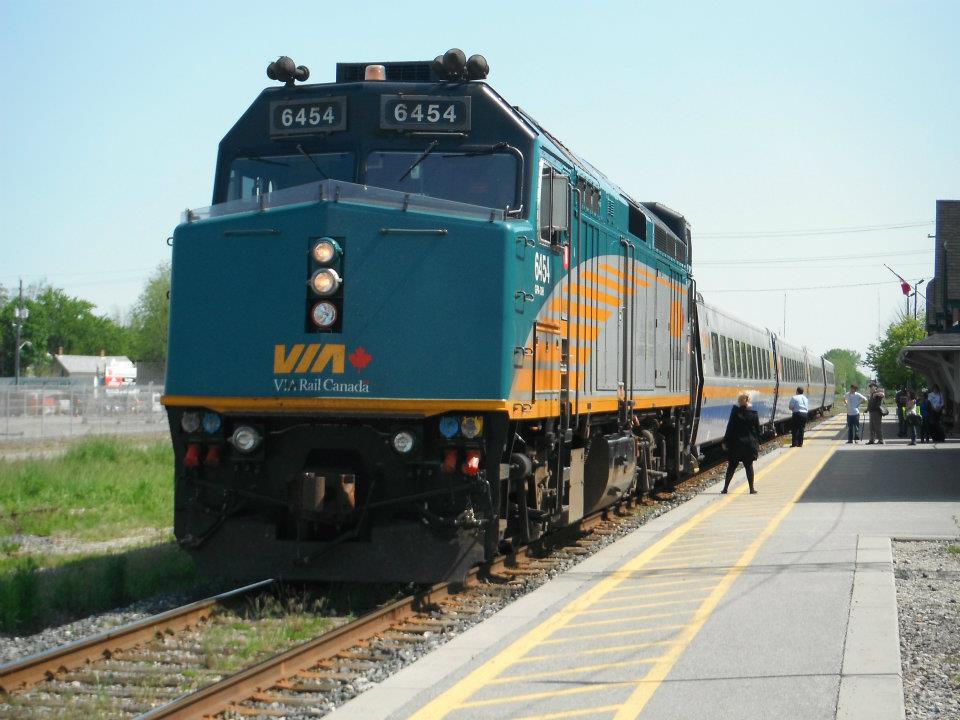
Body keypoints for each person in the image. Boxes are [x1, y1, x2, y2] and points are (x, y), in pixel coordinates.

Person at [721, 393, 761, 494]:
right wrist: (758, 443)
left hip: (736, 445)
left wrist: (725, 442)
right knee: (749, 467)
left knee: (731, 467)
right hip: (749, 445)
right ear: (749, 402)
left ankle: (725, 488)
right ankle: (751, 489)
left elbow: (729, 429)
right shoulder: (754, 414)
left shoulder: (735, 414)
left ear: (739, 402)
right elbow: (758, 431)